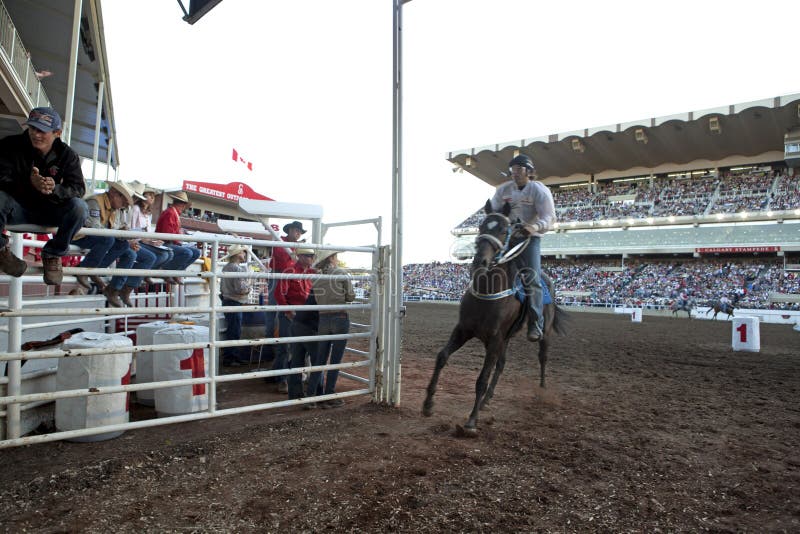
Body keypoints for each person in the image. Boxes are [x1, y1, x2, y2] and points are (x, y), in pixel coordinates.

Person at [0, 107, 88, 284]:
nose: (35, 134)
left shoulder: (68, 154)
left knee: (80, 207)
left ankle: (53, 254)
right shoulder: (9, 145)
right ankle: (1, 251)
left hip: (51, 211)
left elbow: (78, 188)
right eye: (32, 128)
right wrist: (29, 184)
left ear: (57, 133)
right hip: (17, 208)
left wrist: (54, 189)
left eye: (42, 131)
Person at [490, 154, 556, 342]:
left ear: (529, 171)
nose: (515, 173)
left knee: (532, 276)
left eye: (519, 169)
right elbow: (494, 210)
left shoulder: (539, 190)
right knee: (487, 264)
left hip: (529, 239)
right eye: (513, 170)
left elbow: (549, 218)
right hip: (507, 238)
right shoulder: (503, 190)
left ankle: (536, 322)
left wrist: (533, 227)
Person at [73, 181, 142, 307]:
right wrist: (119, 233)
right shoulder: (95, 201)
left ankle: (112, 288)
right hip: (80, 236)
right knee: (109, 239)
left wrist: (122, 235)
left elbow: (109, 230)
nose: (125, 204)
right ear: (115, 194)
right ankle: (87, 270)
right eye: (124, 200)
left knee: (129, 253)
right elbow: (94, 227)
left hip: (96, 238)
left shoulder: (114, 208)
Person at [305, 249, 355, 408]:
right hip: (339, 316)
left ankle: (310, 395)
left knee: (320, 359)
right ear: (332, 258)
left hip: (323, 318)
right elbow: (350, 296)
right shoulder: (341, 273)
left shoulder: (317, 278)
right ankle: (329, 395)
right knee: (335, 359)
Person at [271, 247, 315, 393]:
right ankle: (283, 380)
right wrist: (288, 311)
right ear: (300, 256)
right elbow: (279, 294)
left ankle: (296, 376)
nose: (311, 259)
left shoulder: (310, 273)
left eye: (312, 256)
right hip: (292, 313)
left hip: (305, 314)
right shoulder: (290, 272)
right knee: (286, 347)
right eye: (308, 255)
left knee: (302, 347)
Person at [263, 220, 305, 366]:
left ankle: (277, 352)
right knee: (275, 311)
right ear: (289, 230)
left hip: (287, 276)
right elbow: (283, 260)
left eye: (300, 231)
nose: (298, 233)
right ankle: (271, 350)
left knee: (280, 312)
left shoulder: (289, 244)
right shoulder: (281, 242)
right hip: (280, 275)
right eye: (296, 230)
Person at [154, 191, 201, 284]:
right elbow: (166, 234)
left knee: (196, 252)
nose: (183, 209)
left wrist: (179, 239)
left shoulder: (172, 213)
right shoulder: (170, 213)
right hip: (164, 243)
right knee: (187, 252)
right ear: (182, 205)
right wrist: (179, 240)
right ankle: (167, 272)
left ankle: (175, 272)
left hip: (170, 242)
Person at [220, 244, 253, 367]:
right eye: (243, 252)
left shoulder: (226, 267)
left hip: (227, 300)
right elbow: (241, 289)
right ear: (238, 254)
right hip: (235, 301)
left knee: (232, 329)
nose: (244, 254)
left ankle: (230, 356)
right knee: (234, 330)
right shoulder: (237, 269)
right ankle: (230, 358)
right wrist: (249, 286)